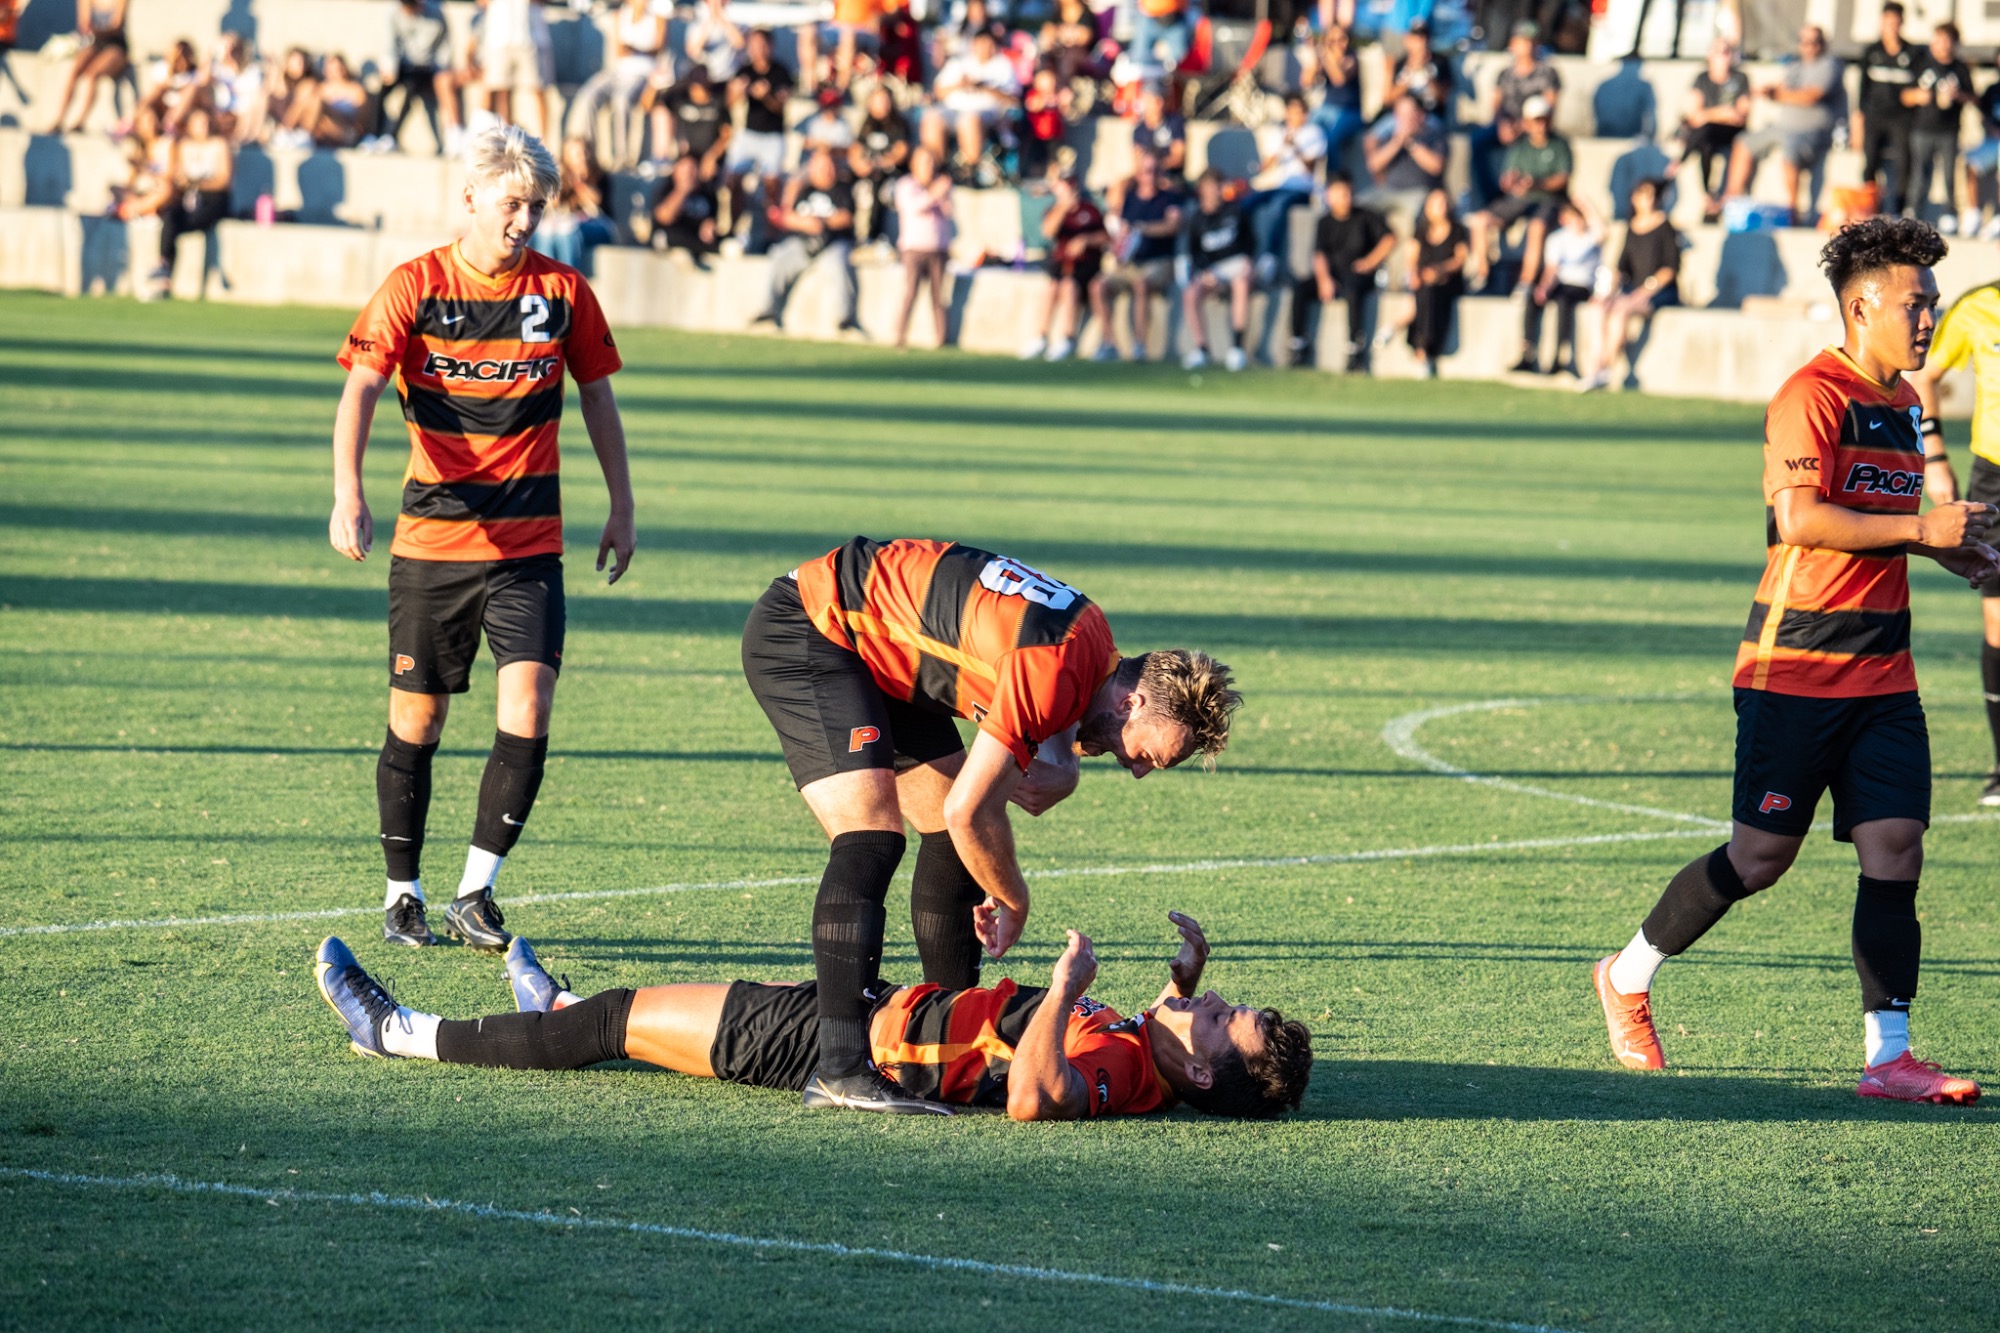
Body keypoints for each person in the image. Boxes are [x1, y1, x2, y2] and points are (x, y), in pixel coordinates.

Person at [1593, 217, 1998, 1107]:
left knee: (1897, 847)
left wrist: (1949, 551)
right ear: (1863, 306)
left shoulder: (1904, 404)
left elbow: (1885, 525)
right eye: (1914, 302)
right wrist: (1921, 529)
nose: (1928, 316)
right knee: (1760, 856)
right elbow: (1801, 520)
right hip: (1795, 668)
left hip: (1885, 674)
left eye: (1931, 301)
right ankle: (1626, 974)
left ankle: (1889, 1055)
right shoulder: (1809, 394)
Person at [738, 535, 1241, 1112]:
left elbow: (1042, 728)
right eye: (1149, 755)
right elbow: (972, 811)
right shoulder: (1056, 669)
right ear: (1134, 705)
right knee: (872, 838)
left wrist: (1068, 771)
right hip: (812, 629)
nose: (1136, 770)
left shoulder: (1093, 642)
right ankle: (840, 1068)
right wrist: (1014, 898)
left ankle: (945, 1026)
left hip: (875, 655)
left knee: (948, 839)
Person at [327, 126, 637, 955]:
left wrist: (623, 504)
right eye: (511, 205)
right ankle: (402, 894)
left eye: (536, 207)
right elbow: (360, 391)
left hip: (530, 549)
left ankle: (476, 890)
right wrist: (348, 493)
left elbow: (599, 397)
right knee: (416, 723)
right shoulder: (415, 287)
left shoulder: (565, 292)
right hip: (432, 547)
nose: (524, 221)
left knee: (529, 710)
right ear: (469, 199)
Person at [312, 911, 1314, 1120]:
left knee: (617, 1025)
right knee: (634, 1014)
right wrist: (1188, 981)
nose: (1223, 1006)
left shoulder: (1132, 1076)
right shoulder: (1158, 1050)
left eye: (1235, 1023)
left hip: (848, 1047)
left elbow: (1039, 1098)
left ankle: (394, 1031)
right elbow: (1157, 1028)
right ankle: (557, 1003)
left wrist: (1057, 987)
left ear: (1195, 1074)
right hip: (865, 1012)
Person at [1908, 269, 2000, 806]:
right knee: (1997, 623)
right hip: (1994, 476)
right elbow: (1927, 378)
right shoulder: (1979, 306)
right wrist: (1935, 457)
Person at [1722, 26, 1841, 223]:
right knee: (1743, 143)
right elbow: (1780, 88)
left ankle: (1792, 212)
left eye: (1814, 42)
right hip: (1781, 127)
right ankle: (1731, 204)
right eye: (1804, 42)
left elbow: (1810, 96)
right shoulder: (1794, 65)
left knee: (1790, 151)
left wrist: (1779, 95)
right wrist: (1766, 91)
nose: (1808, 47)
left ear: (1822, 44)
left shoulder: (1829, 65)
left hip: (1810, 132)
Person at [1578, 178, 1678, 393]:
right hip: (1635, 289)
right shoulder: (1632, 227)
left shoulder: (1664, 225)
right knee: (1598, 308)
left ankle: (1600, 369)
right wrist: (1607, 291)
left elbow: (1670, 268)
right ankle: (1597, 366)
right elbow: (1622, 267)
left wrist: (1644, 292)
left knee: (1620, 311)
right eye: (1643, 195)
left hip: (1660, 291)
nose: (1648, 201)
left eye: (1651, 196)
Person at [1289, 169, 1393, 372]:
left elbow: (1390, 238)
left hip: (1358, 275)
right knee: (1300, 289)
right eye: (1338, 193)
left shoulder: (1365, 216)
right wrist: (1324, 280)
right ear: (1329, 195)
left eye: (1346, 193)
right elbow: (1319, 255)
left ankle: (1355, 349)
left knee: (1354, 291)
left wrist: (1370, 261)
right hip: (1333, 274)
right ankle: (1299, 344)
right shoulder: (1325, 221)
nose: (1343, 198)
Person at [752, 145, 861, 334]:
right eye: (820, 166)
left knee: (839, 266)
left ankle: (845, 320)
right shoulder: (804, 190)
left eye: (828, 166)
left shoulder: (843, 188)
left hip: (831, 244)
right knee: (778, 257)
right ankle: (768, 313)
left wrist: (823, 222)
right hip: (802, 244)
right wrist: (804, 223)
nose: (825, 170)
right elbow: (787, 216)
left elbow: (847, 217)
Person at [1466, 93, 1568, 293]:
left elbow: (1562, 179)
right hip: (1521, 200)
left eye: (1543, 120)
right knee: (1479, 221)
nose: (1540, 125)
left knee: (1537, 227)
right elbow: (1508, 178)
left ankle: (1525, 282)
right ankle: (1482, 275)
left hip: (1549, 201)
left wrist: (1537, 183)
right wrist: (1512, 182)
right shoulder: (1520, 146)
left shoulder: (1559, 145)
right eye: (1535, 121)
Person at [1094, 147, 1183, 362]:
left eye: (1154, 171)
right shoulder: (1130, 199)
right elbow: (1122, 228)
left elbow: (1173, 226)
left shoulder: (1169, 198)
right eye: (1146, 171)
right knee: (1098, 286)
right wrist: (1118, 247)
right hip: (1131, 263)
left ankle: (1139, 345)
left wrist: (1143, 228)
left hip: (1158, 263)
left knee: (1141, 284)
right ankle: (1108, 343)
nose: (1150, 176)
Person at [565, 0, 667, 170]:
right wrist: (638, 49)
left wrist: (634, 48)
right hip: (618, 72)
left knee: (622, 100)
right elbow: (619, 50)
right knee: (589, 94)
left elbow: (660, 48)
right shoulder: (620, 15)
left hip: (643, 74)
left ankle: (623, 156)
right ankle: (589, 152)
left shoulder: (657, 18)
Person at [1021, 167, 1108, 362]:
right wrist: (1063, 206)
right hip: (1061, 265)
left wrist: (1085, 240)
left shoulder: (1090, 210)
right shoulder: (1054, 210)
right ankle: (1040, 336)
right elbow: (1048, 232)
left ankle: (1067, 337)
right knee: (1051, 286)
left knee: (1069, 286)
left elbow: (1105, 237)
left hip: (1085, 268)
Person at [1470, 20, 1560, 206]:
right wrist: (1502, 124)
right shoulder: (1505, 74)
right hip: (1507, 124)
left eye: (1530, 41)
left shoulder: (1547, 73)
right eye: (1522, 41)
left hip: (1534, 125)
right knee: (1477, 142)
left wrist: (1523, 126)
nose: (1526, 46)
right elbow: (1496, 104)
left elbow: (1550, 106)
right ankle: (1485, 198)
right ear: (1513, 44)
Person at [1243, 93, 1327, 283]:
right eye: (1291, 112)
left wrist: (1295, 146)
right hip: (1280, 186)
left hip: (1302, 189)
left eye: (1298, 112)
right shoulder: (1280, 133)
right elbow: (1267, 166)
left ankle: (1270, 257)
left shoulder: (1314, 133)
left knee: (1277, 206)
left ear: (1305, 114)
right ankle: (1247, 251)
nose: (1293, 116)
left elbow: (1311, 167)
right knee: (1247, 203)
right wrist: (1279, 149)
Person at [149, 105, 233, 294]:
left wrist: (197, 183)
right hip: (191, 199)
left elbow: (224, 180)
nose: (204, 126)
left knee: (177, 224)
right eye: (199, 123)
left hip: (213, 201)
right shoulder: (184, 146)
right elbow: (177, 177)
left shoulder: (219, 144)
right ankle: (164, 272)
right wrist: (182, 181)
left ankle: (168, 272)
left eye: (206, 122)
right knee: (170, 217)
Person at [1514, 194, 1599, 377]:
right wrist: (1543, 287)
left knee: (1563, 300)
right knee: (1533, 298)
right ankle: (1527, 352)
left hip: (1581, 286)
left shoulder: (1591, 236)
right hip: (1560, 284)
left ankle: (1560, 355)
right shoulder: (1557, 238)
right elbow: (1552, 268)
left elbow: (1603, 231)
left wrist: (1585, 204)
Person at [1180, 169, 1254, 372]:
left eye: (1217, 187)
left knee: (1241, 282)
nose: (1214, 192)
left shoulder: (1236, 211)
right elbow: (1194, 253)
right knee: (1190, 293)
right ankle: (1201, 349)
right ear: (1201, 190)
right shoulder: (1197, 219)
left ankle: (1237, 348)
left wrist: (1248, 261)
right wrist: (1206, 271)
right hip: (1213, 270)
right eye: (1209, 187)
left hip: (1237, 264)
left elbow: (1250, 242)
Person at [926, 27, 1019, 184]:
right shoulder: (959, 62)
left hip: (987, 113)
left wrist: (984, 87)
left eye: (988, 43)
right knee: (932, 117)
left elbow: (1014, 99)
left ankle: (969, 170)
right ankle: (937, 168)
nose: (984, 47)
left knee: (968, 120)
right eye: (980, 43)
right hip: (953, 108)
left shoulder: (1003, 65)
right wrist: (960, 85)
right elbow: (938, 91)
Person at [1676, 38, 1749, 224]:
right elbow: (1693, 115)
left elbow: (1740, 116)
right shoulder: (1702, 79)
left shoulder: (1740, 79)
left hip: (1731, 133)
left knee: (1704, 131)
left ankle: (1680, 161)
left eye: (1726, 51)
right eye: (1718, 51)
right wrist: (1723, 112)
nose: (1723, 56)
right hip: (1707, 135)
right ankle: (1709, 196)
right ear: (1710, 56)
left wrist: (1708, 114)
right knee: (1704, 139)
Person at [1855, 2, 1917, 219]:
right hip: (1875, 117)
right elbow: (1862, 92)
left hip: (1901, 118)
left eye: (1895, 22)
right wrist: (1857, 124)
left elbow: (1918, 89)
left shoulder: (1912, 53)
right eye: (1887, 22)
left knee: (1903, 163)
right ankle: (1870, 208)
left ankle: (1899, 210)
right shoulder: (1872, 52)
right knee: (1870, 161)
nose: (1891, 27)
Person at [1906, 22, 1970, 230]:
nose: (1942, 45)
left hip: (1948, 130)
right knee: (1919, 173)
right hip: (1922, 128)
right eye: (1938, 39)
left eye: (1946, 41)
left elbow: (1974, 98)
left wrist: (1957, 95)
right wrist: (1918, 96)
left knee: (1949, 174)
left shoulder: (1960, 68)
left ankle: (1950, 213)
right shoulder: (1922, 63)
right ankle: (1914, 211)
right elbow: (1904, 94)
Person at [376, 0, 459, 155]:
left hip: (427, 68)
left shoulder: (435, 15)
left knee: (411, 87)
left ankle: (392, 136)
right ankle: (376, 134)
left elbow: (445, 48)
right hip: (403, 64)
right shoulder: (394, 12)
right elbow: (390, 46)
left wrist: (440, 69)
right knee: (383, 86)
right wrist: (389, 68)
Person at [891, 145, 953, 349]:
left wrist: (942, 195)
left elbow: (949, 212)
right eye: (924, 162)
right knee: (910, 293)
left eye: (931, 162)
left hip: (938, 248)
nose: (929, 167)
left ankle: (941, 338)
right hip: (914, 248)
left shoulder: (939, 187)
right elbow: (913, 208)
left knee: (938, 297)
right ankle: (900, 336)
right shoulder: (906, 185)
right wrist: (934, 193)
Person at [725, 29, 793, 213]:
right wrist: (738, 92)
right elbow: (729, 103)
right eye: (753, 45)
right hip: (748, 133)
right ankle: (734, 224)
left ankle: (770, 232)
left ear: (770, 46)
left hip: (773, 136)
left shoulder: (781, 72)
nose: (757, 50)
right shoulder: (743, 71)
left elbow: (780, 107)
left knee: (772, 186)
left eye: (761, 44)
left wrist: (766, 97)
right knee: (733, 180)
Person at [1403, 185, 1466, 378]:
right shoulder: (1421, 232)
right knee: (1424, 291)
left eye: (1444, 202)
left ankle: (1422, 346)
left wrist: (1439, 270)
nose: (1441, 207)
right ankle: (1423, 347)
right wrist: (1414, 274)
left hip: (1448, 282)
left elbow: (1459, 260)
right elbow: (1411, 259)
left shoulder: (1457, 230)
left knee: (1430, 293)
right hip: (1424, 283)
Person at [532, 136, 617, 274]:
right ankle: (546, 280)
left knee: (568, 230)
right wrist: (558, 179)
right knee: (546, 230)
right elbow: (554, 203)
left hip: (600, 224)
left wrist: (579, 181)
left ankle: (569, 278)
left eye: (585, 152)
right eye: (577, 154)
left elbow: (597, 200)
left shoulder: (599, 174)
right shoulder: (563, 176)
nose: (582, 157)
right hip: (568, 224)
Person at [45, 0, 130, 135]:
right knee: (75, 69)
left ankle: (80, 122)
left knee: (92, 74)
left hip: (115, 44)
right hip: (94, 41)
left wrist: (96, 31)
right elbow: (84, 23)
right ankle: (59, 119)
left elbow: (116, 25)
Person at [1362, 92, 1446, 216]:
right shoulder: (1390, 136)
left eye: (1409, 115)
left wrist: (1411, 144)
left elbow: (1436, 167)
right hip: (1389, 191)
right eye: (1400, 115)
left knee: (1420, 214)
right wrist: (1397, 143)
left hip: (1419, 192)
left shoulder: (1433, 135)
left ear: (1421, 115)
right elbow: (1373, 165)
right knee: (1360, 208)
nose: (1404, 120)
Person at [480, 0, 552, 142]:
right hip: (499, 37)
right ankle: (508, 141)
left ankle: (545, 144)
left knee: (539, 90)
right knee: (502, 92)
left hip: (531, 37)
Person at [850, 84, 912, 244]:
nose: (881, 104)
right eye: (878, 100)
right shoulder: (867, 124)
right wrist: (860, 165)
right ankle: (853, 236)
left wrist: (880, 163)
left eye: (884, 100)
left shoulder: (898, 123)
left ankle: (877, 235)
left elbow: (901, 151)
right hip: (870, 173)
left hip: (891, 174)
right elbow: (856, 150)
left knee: (881, 191)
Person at [1300, 25, 1363, 174]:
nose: (1338, 44)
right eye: (1332, 41)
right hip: (1326, 109)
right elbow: (1305, 82)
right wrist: (1316, 57)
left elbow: (1339, 79)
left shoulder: (1351, 58)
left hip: (1350, 112)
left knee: (1331, 139)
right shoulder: (1325, 58)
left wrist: (1326, 56)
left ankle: (1333, 178)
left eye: (1341, 39)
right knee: (1304, 133)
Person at [1956, 55, 2000, 238]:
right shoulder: (1993, 89)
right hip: (1993, 141)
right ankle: (1973, 213)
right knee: (1970, 161)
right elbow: (1984, 115)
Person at [665, 69, 730, 184]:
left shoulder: (718, 102)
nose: (699, 88)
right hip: (687, 157)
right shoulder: (681, 100)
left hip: (713, 158)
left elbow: (727, 134)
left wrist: (712, 156)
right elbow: (648, 104)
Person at [652, 153, 720, 258]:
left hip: (697, 236)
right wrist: (683, 191)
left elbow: (713, 218)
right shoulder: (667, 189)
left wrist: (709, 226)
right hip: (673, 235)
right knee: (669, 237)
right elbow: (664, 217)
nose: (688, 174)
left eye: (692, 169)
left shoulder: (707, 193)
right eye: (685, 169)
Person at [1385, 18, 1452, 124]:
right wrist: (1410, 71)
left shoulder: (1441, 62)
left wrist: (1427, 73)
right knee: (1372, 138)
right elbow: (1388, 99)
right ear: (1407, 39)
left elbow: (1444, 99)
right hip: (1401, 117)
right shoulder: (1399, 63)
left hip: (1429, 116)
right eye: (1417, 37)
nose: (1422, 41)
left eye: (1425, 36)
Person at [1129, 83, 1187, 185]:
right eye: (1153, 100)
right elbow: (1137, 163)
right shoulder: (1139, 130)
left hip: (1170, 175)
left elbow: (1179, 158)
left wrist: (1156, 165)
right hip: (1146, 177)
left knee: (1165, 186)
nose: (1160, 104)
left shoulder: (1175, 122)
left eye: (1161, 99)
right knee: (1119, 187)